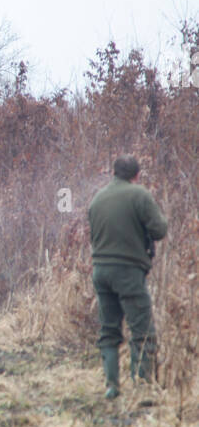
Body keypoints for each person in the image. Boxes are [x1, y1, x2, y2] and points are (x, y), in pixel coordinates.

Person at [87, 156, 167, 399]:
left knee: (109, 331)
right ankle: (142, 388)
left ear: (113, 172)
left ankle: (112, 386)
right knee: (142, 330)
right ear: (136, 175)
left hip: (100, 271)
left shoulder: (97, 198)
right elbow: (160, 230)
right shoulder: (139, 194)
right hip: (128, 272)